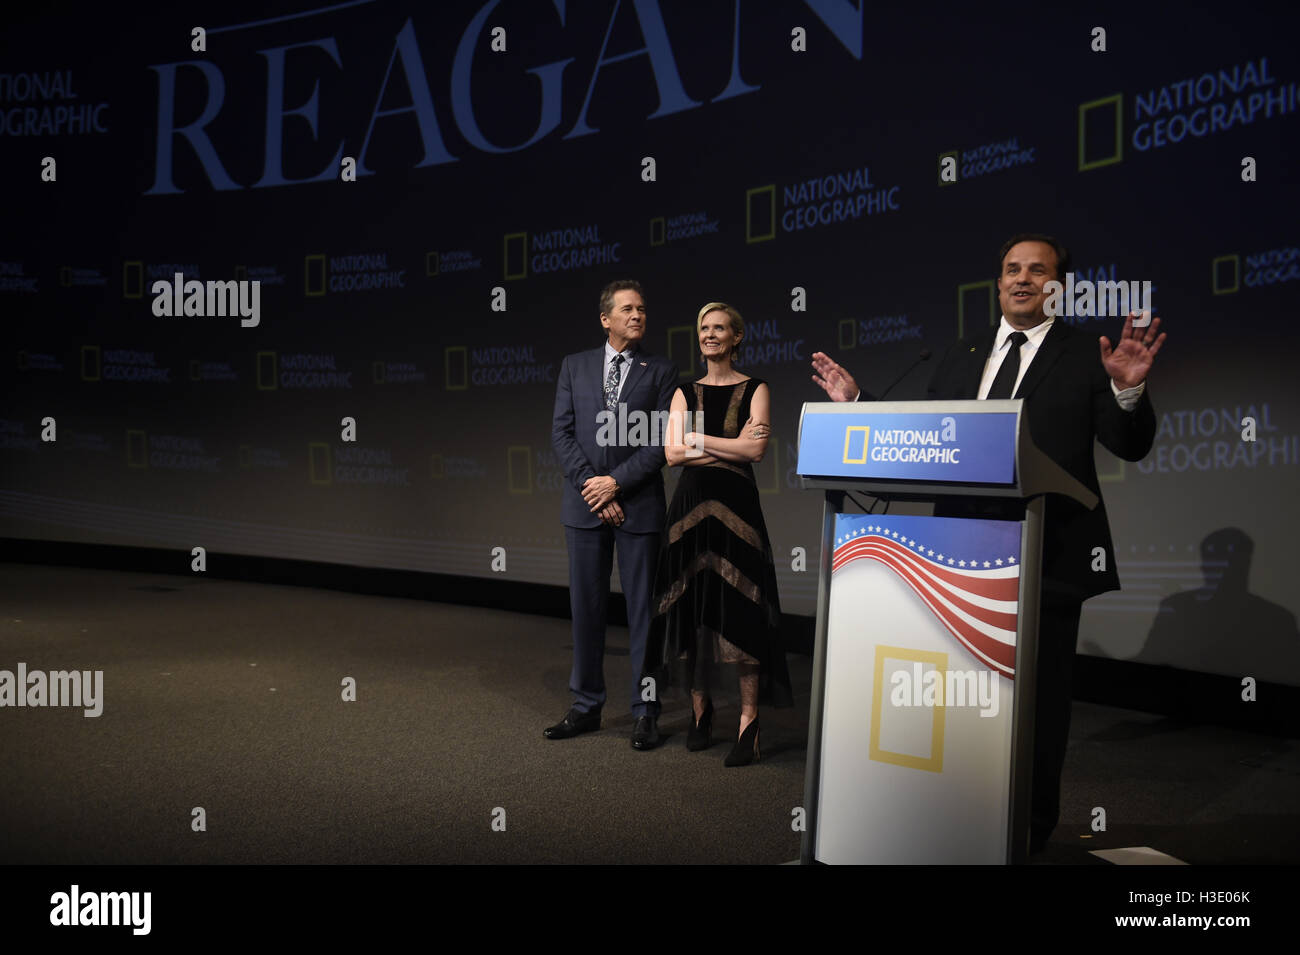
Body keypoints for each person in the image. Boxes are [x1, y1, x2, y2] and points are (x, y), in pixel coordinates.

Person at [811, 233, 1166, 852]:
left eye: (1037, 270)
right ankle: (960, 823)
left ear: (1058, 285)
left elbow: (1127, 443)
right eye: (1011, 270)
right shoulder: (958, 355)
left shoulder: (1086, 353)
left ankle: (1026, 834)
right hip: (953, 559)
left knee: (1037, 706)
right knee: (964, 700)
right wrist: (858, 406)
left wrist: (1127, 391)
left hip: (1046, 554)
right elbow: (921, 439)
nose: (1022, 279)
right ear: (997, 283)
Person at [645, 302, 793, 767]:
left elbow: (757, 449)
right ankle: (700, 709)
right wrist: (731, 447)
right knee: (694, 612)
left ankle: (749, 722)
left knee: (743, 613)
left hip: (738, 511)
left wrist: (701, 442)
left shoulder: (757, 388)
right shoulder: (683, 391)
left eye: (719, 329)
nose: (710, 335)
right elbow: (672, 454)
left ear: (736, 337)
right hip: (689, 512)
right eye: (703, 329)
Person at [547, 279, 677, 750]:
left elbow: (661, 440)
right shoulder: (574, 366)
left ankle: (646, 711)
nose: (638, 315)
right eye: (628, 309)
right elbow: (562, 435)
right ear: (606, 319)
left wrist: (616, 484)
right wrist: (594, 487)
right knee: (587, 609)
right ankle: (585, 707)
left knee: (644, 612)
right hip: (584, 508)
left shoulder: (661, 370)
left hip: (638, 506)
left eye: (642, 309)